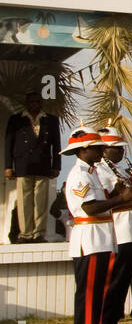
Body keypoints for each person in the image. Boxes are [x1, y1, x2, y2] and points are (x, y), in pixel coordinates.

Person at [62, 128, 132, 324]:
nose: (102, 150)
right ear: (84, 150)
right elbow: (89, 207)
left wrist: (120, 197)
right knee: (89, 294)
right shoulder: (80, 175)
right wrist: (120, 199)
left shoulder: (91, 172)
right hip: (90, 239)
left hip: (100, 238)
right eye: (97, 147)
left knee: (97, 293)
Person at [95, 126, 132, 324]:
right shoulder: (100, 170)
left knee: (123, 281)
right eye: (116, 148)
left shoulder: (118, 169)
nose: (121, 152)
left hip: (130, 229)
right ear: (104, 149)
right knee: (113, 282)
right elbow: (113, 195)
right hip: (118, 230)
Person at [5, 90, 61, 243]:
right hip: (23, 164)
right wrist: (8, 166)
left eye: (37, 101)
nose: (34, 104)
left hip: (43, 165)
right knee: (24, 200)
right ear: (27, 103)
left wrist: (56, 165)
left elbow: (56, 145)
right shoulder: (16, 119)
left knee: (40, 201)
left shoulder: (50, 120)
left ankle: (38, 233)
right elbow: (8, 144)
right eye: (31, 101)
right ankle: (26, 233)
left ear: (41, 103)